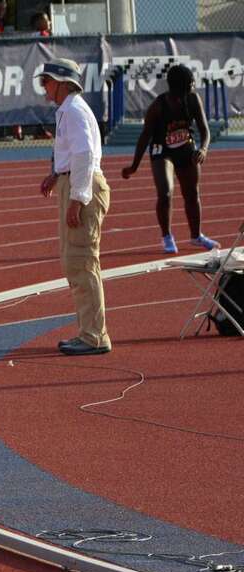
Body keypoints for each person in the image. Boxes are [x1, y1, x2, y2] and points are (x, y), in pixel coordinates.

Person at [38, 59, 112, 356]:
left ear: (62, 82)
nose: (43, 86)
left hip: (84, 186)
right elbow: (74, 153)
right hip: (74, 183)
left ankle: (95, 336)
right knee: (74, 261)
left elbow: (85, 154)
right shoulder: (68, 110)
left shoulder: (74, 110)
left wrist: (78, 198)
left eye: (46, 81)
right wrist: (56, 174)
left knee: (82, 261)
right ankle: (89, 332)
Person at [121, 64, 219, 255]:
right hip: (162, 151)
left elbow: (204, 129)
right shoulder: (158, 106)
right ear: (181, 85)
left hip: (186, 147)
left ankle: (196, 235)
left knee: (192, 193)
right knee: (165, 193)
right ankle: (167, 236)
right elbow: (145, 136)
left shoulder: (193, 99)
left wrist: (204, 149)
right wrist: (134, 166)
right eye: (191, 82)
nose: (193, 85)